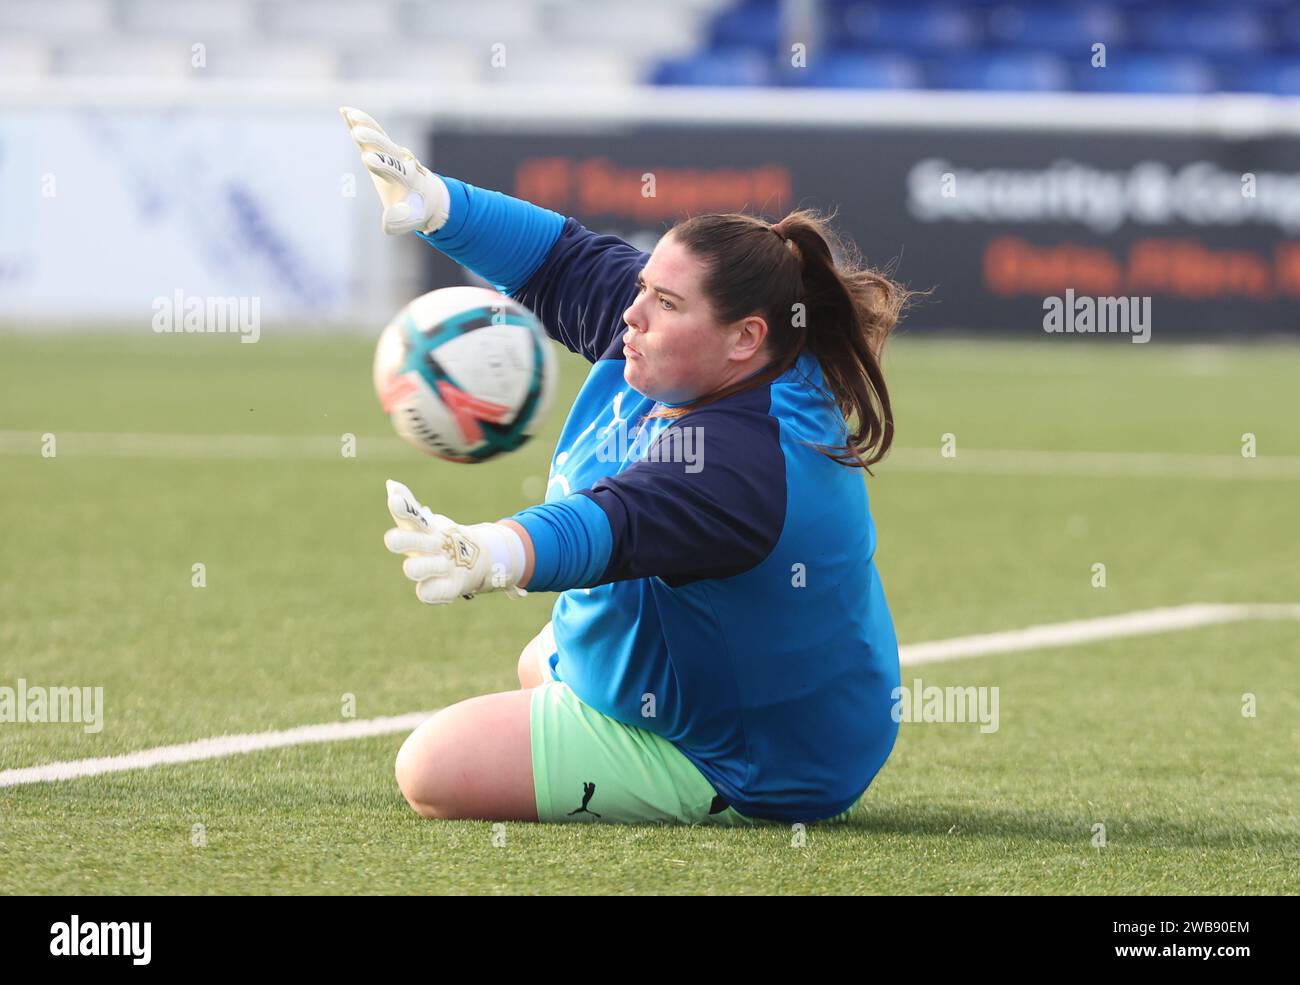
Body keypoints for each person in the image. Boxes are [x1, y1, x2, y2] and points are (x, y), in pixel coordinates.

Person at [342, 107, 908, 827]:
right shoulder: (688, 340)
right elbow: (562, 260)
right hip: (783, 694)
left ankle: (710, 786)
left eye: (662, 302)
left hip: (765, 755)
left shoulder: (742, 459)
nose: (632, 313)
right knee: (542, 657)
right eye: (644, 287)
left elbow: (615, 523)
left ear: (745, 338)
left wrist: (492, 551)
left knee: (430, 768)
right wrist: (439, 203)